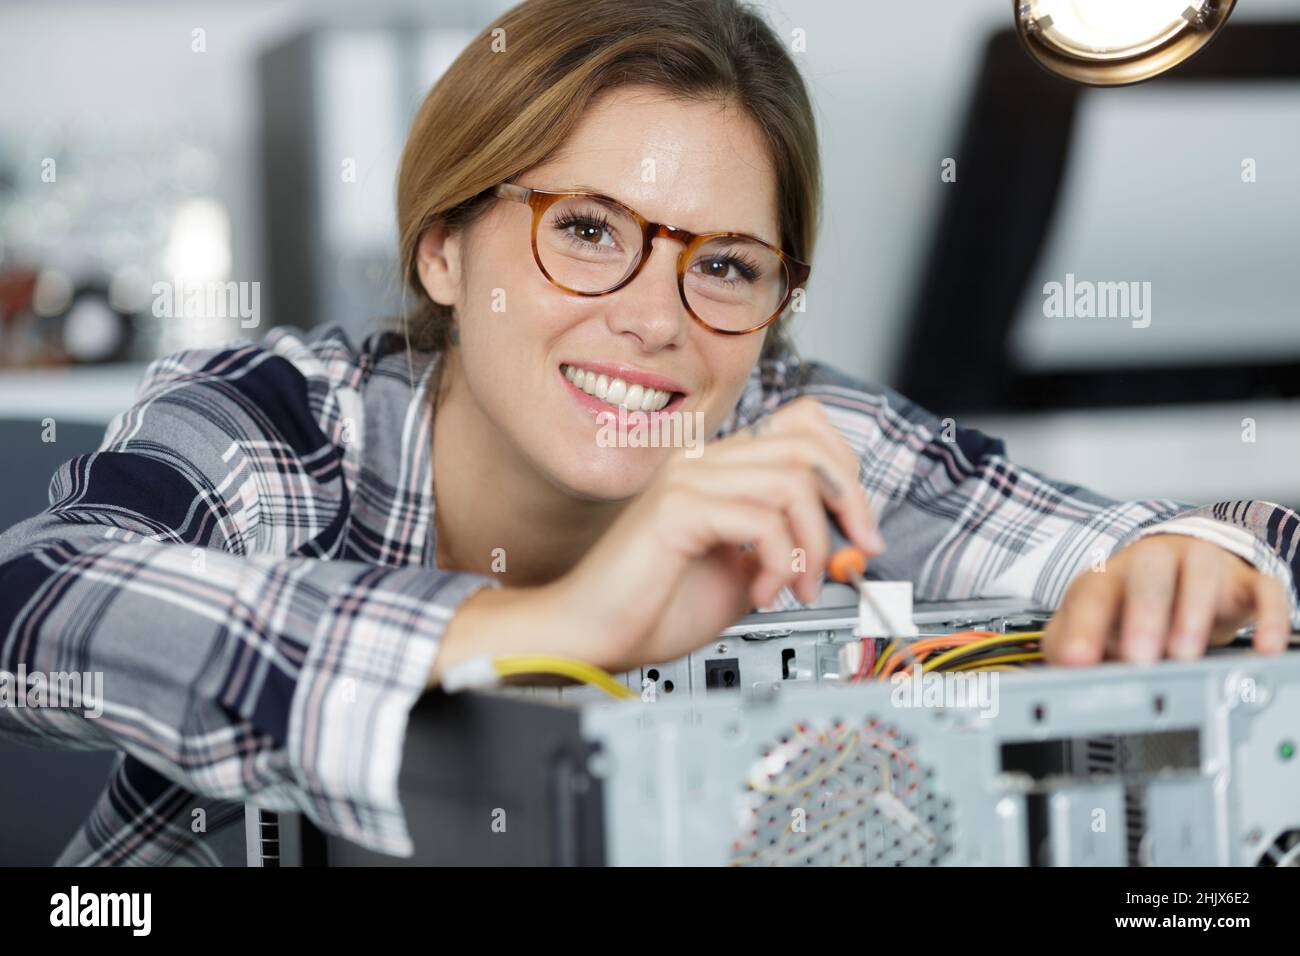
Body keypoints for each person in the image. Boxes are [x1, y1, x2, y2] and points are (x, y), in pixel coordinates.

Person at [0, 0, 1295, 866]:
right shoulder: (277, 427)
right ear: (443, 248)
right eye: (586, 230)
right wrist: (549, 631)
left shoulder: (797, 429)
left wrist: (1202, 567)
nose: (654, 321)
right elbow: (38, 606)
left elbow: (1186, 546)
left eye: (726, 266)